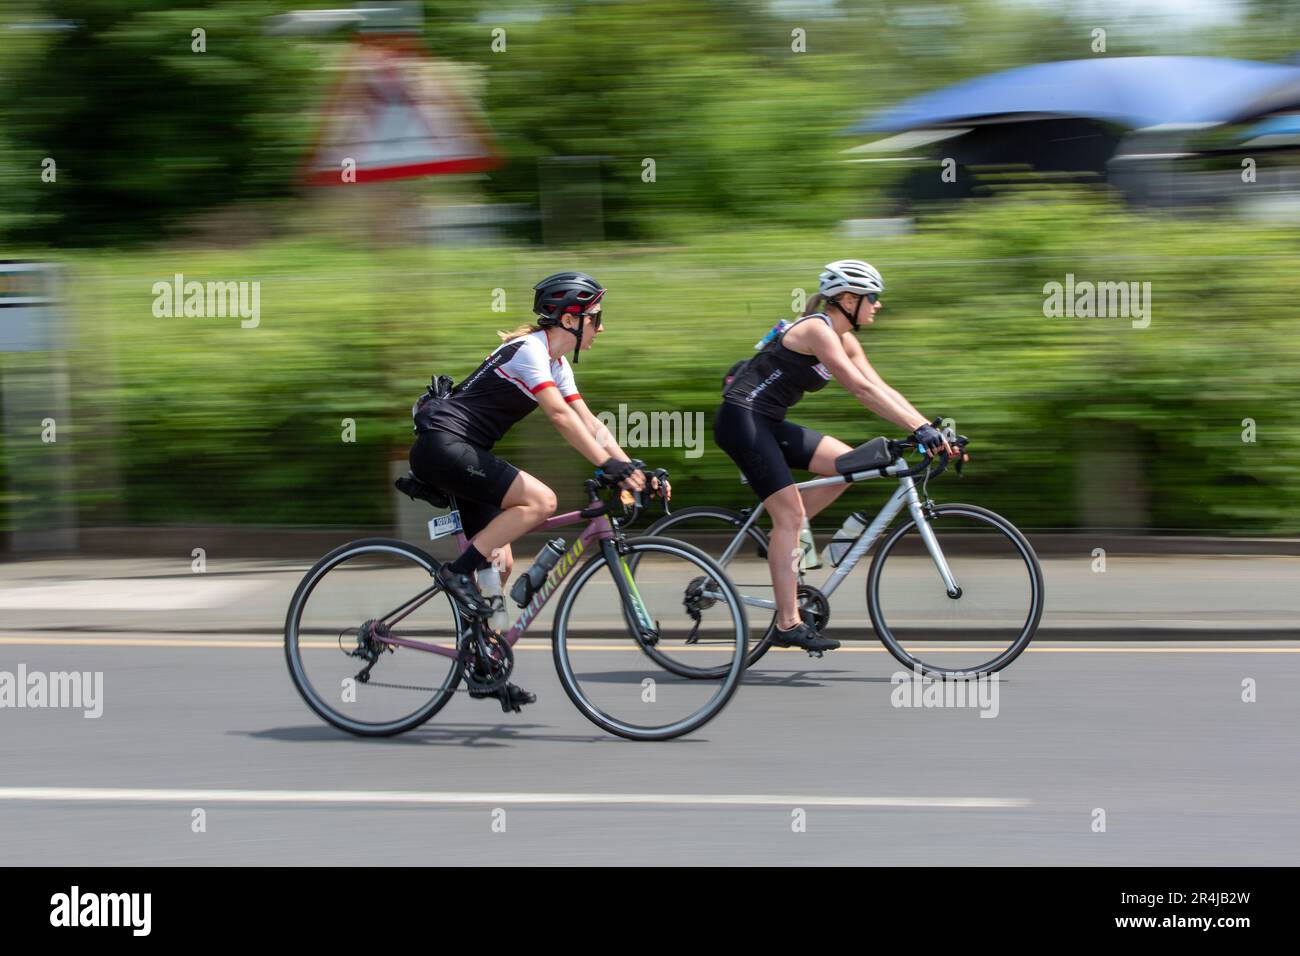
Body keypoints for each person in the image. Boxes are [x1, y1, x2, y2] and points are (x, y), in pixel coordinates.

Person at [410, 271, 653, 708]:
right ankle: (452, 574)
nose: (602, 327)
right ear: (570, 319)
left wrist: (632, 468)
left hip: (462, 453)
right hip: (444, 447)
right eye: (597, 318)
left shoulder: (556, 363)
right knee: (542, 500)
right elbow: (560, 418)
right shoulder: (528, 352)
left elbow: (590, 424)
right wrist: (608, 467)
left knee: (499, 564)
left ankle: (484, 667)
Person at [714, 259, 959, 653]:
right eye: (872, 298)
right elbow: (859, 391)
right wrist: (918, 430)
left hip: (769, 422)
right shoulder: (816, 329)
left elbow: (880, 388)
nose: (877, 305)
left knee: (846, 463)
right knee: (791, 514)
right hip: (741, 419)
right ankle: (787, 622)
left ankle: (780, 532)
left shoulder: (846, 339)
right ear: (847, 299)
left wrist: (928, 428)